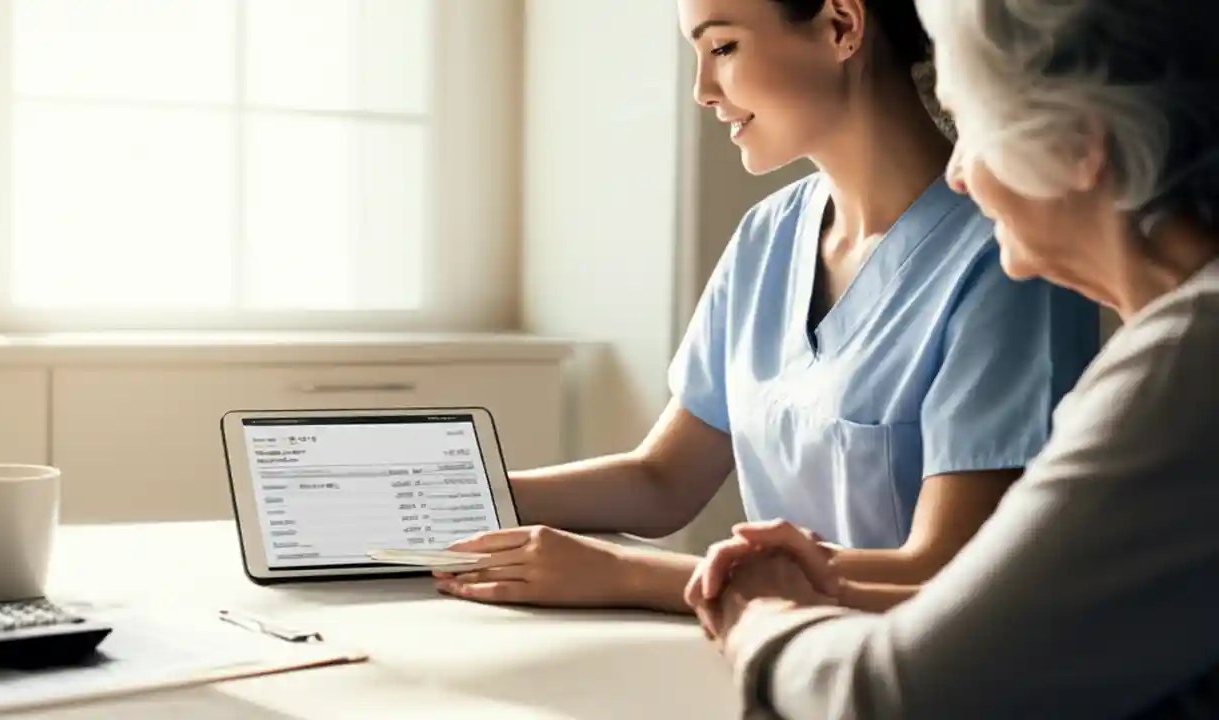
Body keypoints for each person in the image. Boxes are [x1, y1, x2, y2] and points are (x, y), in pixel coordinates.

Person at [434, 0, 1098, 614]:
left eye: (722, 47)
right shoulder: (768, 234)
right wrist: (446, 498)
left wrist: (627, 573)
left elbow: (951, 573)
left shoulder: (1008, 256)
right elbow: (664, 479)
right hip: (780, 654)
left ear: (841, 25)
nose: (702, 89)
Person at [685, 1, 1219, 717]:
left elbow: (893, 692)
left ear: (1078, 141)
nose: (958, 173)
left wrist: (761, 613)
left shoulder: (1187, 364)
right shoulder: (1181, 347)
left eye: (969, 124)